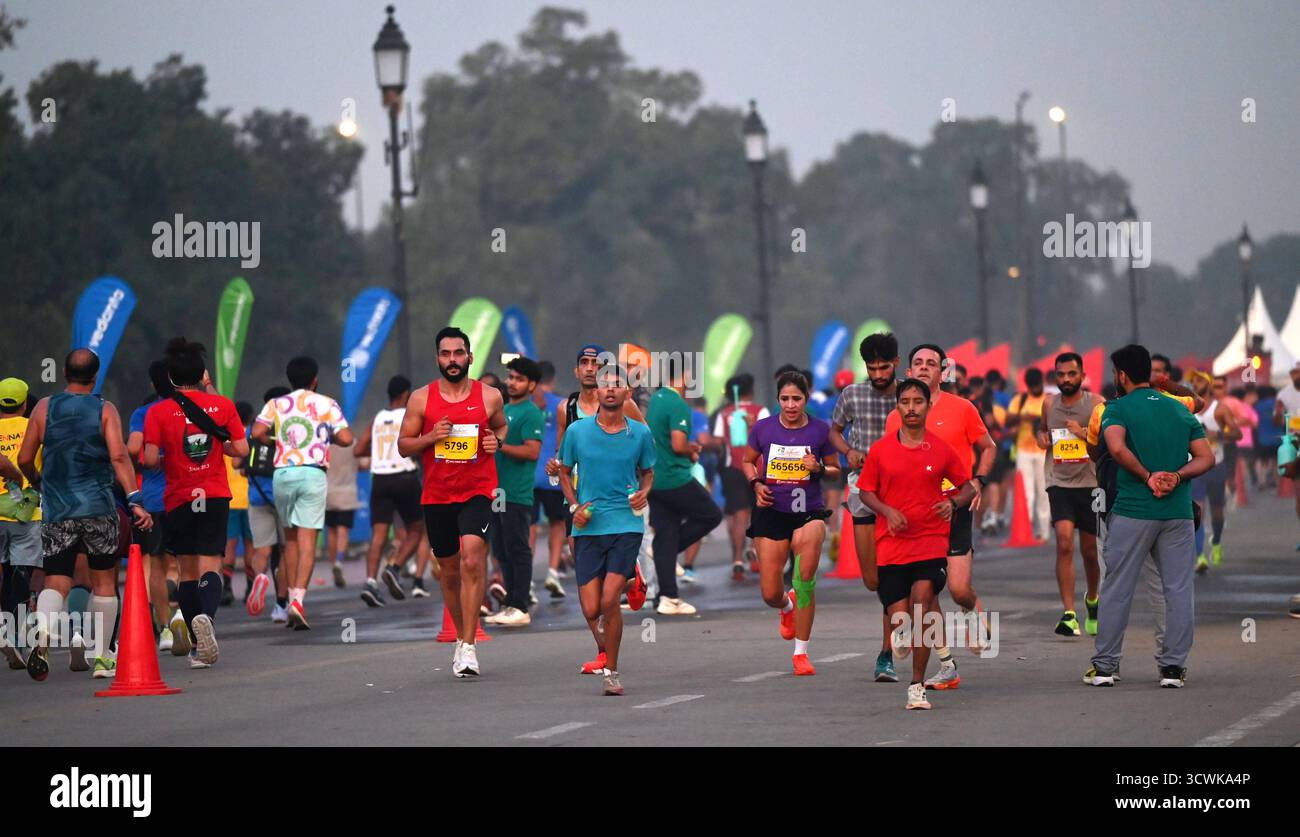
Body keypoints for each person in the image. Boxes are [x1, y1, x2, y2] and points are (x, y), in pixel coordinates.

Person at [17, 349, 153, 680]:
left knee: (56, 580)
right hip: (99, 508)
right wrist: (134, 498)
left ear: (64, 371)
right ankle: (103, 657)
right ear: (95, 376)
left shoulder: (44, 407)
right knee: (104, 582)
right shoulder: (104, 409)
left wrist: (39, 481)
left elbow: (24, 457)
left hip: (58, 509)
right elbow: (119, 457)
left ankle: (44, 634)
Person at [1084, 345, 1214, 689]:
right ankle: (1172, 668)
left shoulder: (1116, 409)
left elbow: (1114, 448)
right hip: (1177, 512)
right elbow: (1206, 457)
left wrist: (1147, 476)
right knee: (1178, 589)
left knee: (1117, 588)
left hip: (1133, 510)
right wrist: (1177, 476)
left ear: (1121, 376)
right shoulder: (1178, 409)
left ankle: (1106, 667)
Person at [859, 378, 978, 709]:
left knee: (923, 600)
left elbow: (967, 487)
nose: (911, 408)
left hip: (930, 540)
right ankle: (901, 634)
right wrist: (887, 511)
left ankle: (916, 687)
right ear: (897, 406)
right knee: (901, 616)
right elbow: (866, 491)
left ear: (928, 406)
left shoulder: (941, 450)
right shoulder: (881, 450)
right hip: (892, 543)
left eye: (918, 402)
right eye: (905, 402)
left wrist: (952, 504)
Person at [883, 344, 996, 687]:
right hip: (917, 516)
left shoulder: (962, 408)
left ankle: (974, 610)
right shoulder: (896, 416)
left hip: (954, 508)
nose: (923, 368)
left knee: (959, 589)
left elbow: (988, 447)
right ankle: (947, 664)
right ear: (908, 371)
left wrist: (976, 482)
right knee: (926, 591)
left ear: (942, 371)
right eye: (917, 363)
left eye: (931, 363)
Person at [398, 327, 506, 678]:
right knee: (449, 570)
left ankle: (470, 644)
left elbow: (501, 428)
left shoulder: (490, 396)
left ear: (469, 357)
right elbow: (403, 445)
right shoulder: (421, 399)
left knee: (473, 558)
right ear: (437, 359)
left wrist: (496, 443)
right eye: (445, 354)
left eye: (458, 353)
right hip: (438, 494)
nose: (452, 360)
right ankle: (461, 637)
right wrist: (431, 436)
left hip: (478, 489)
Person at [142, 338, 248, 669]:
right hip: (214, 494)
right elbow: (242, 450)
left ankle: (195, 641)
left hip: (179, 498)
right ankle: (207, 620)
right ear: (203, 373)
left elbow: (148, 459)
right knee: (211, 563)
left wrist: (164, 454)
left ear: (170, 378)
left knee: (186, 571)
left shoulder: (157, 412)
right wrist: (225, 449)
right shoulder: (224, 406)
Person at [558, 363, 655, 696]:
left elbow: (648, 471)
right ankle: (632, 578)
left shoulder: (639, 433)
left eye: (618, 385)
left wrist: (644, 492)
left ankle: (611, 672)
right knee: (591, 608)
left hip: (626, 523)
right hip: (588, 525)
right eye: (605, 385)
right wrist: (574, 507)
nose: (611, 389)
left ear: (627, 393)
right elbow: (563, 471)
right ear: (596, 392)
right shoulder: (577, 432)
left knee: (610, 599)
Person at [742, 371, 839, 675]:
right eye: (785, 399)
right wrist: (756, 484)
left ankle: (801, 652)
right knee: (770, 592)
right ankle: (786, 607)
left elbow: (836, 469)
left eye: (796, 398)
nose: (791, 404)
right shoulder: (763, 428)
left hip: (808, 511)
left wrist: (819, 467)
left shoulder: (820, 431)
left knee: (804, 578)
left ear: (806, 399)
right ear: (778, 400)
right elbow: (747, 460)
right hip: (772, 511)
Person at [250, 356, 353, 630]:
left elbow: (257, 431)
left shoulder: (277, 404)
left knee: (291, 541)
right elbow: (347, 438)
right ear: (315, 380)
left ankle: (279, 594)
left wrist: (279, 440)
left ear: (290, 379)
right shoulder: (327, 404)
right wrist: (323, 436)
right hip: (312, 473)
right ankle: (297, 600)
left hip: (282, 474)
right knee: (308, 539)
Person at [828, 331, 901, 681]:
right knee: (872, 579)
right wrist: (847, 452)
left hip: (901, 492)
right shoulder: (852, 394)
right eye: (871, 368)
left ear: (896, 364)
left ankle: (886, 652)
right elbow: (834, 431)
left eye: (884, 367)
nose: (877, 374)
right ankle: (896, 614)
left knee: (890, 577)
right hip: (861, 489)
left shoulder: (909, 395)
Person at [646, 357, 722, 615]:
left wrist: (688, 447)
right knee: (712, 514)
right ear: (683, 376)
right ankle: (660, 550)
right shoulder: (677, 403)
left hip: (654, 479)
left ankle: (668, 598)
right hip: (675, 478)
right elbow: (678, 445)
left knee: (666, 532)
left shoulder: (655, 400)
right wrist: (691, 450)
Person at [1037, 352, 1104, 637]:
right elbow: (1042, 433)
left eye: (1071, 374)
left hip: (1089, 484)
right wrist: (1042, 439)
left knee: (1089, 552)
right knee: (1064, 543)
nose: (1066, 379)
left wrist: (1083, 432)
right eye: (1061, 374)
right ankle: (1068, 613)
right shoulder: (1049, 403)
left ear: (1082, 375)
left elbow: (1109, 441)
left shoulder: (1097, 403)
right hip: (1059, 482)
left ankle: (1092, 600)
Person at [354, 375, 428, 607]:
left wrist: (379, 455)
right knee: (416, 530)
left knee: (378, 536)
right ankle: (394, 568)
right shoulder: (409, 415)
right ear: (406, 394)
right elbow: (418, 445)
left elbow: (358, 450)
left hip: (380, 479)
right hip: (405, 477)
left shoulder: (377, 418)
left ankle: (370, 583)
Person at [125, 362, 183, 652]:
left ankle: (166, 630)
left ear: (152, 385)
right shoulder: (191, 408)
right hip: (190, 496)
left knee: (157, 565)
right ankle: (187, 617)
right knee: (189, 561)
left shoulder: (142, 413)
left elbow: (134, 449)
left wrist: (155, 454)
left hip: (155, 498)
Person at [484, 357, 545, 628]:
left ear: (531, 384)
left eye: (518, 379)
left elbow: (532, 451)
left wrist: (499, 445)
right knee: (501, 550)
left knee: (518, 549)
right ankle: (510, 603)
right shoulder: (504, 409)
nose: (511, 382)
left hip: (517, 494)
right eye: (510, 377)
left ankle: (521, 606)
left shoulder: (531, 413)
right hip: (495, 493)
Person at [0, 378, 41, 669]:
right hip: (27, 512)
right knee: (20, 576)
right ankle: (15, 634)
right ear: (26, 404)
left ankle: (4, 630)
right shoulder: (34, 428)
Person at [713, 373, 769, 579]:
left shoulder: (725, 413)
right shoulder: (760, 410)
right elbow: (767, 436)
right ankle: (754, 550)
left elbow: (718, 442)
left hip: (732, 469)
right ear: (751, 390)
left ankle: (737, 559)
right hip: (758, 468)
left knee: (738, 515)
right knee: (760, 511)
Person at [244, 385, 290, 622]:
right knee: (286, 550)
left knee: (263, 549)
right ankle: (281, 605)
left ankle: (259, 577)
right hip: (283, 495)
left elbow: (238, 465)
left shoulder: (254, 428)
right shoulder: (290, 428)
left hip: (256, 496)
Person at [1187, 370, 1241, 573]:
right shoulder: (1187, 409)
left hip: (1216, 466)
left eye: (1199, 380)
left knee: (1217, 513)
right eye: (1193, 381)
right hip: (1195, 467)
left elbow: (1238, 433)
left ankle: (1216, 541)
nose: (1195, 384)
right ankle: (1200, 556)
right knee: (1197, 512)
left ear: (1208, 384)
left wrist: (1217, 433)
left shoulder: (1220, 410)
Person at [531, 360, 570, 599]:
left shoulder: (527, 404)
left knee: (530, 526)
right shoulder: (562, 406)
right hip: (554, 473)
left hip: (530, 474)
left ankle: (527, 581)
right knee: (558, 524)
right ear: (553, 380)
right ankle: (553, 572)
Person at [1007, 367, 1051, 542]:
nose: (1035, 389)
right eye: (1032, 386)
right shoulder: (1020, 399)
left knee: (1043, 491)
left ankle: (1044, 532)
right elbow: (1008, 420)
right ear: (1027, 386)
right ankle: (1025, 529)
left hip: (1043, 451)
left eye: (1038, 385)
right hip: (1024, 450)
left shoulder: (1048, 399)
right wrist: (1024, 417)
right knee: (1026, 492)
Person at [222, 401, 255, 606]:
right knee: (251, 545)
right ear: (250, 418)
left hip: (230, 499)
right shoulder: (250, 437)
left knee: (230, 545)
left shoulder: (225, 439)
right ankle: (251, 588)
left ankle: (226, 587)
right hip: (251, 498)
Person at [323, 440, 361, 590]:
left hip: (329, 492)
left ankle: (334, 569)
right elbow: (364, 462)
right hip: (347, 493)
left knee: (332, 531)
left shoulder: (326, 444)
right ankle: (339, 561)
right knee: (343, 530)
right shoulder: (353, 444)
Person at [1272, 361, 1300, 549]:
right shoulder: (1284, 394)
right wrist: (1279, 411)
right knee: (1299, 494)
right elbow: (1276, 421)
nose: (1296, 376)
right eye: (1294, 373)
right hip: (1295, 445)